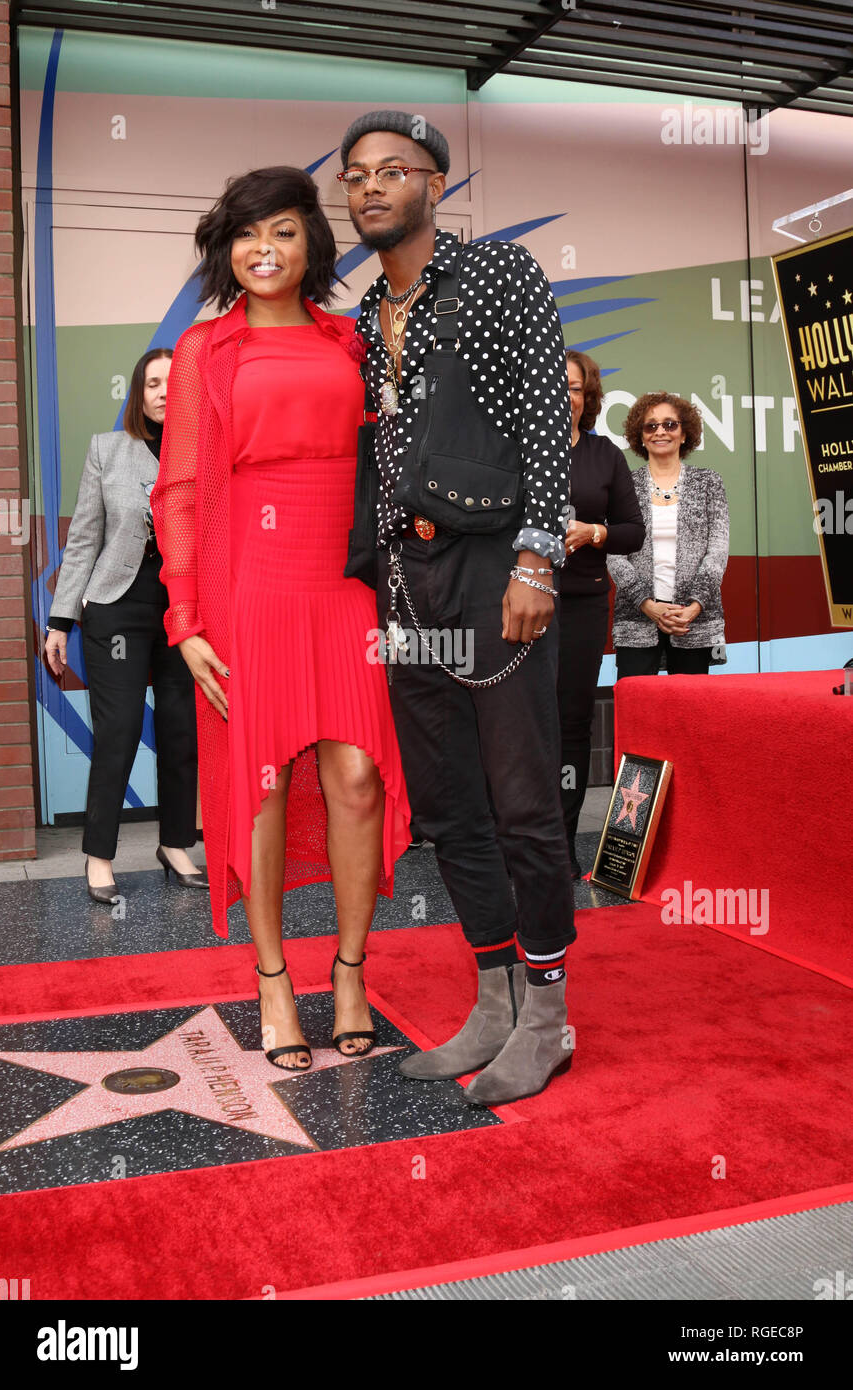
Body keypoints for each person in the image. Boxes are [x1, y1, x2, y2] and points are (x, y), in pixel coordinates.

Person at [151, 167, 411, 1072]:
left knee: (357, 781)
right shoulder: (204, 350)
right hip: (249, 590)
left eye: (285, 232)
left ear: (313, 246)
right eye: (248, 234)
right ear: (227, 249)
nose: (265, 249)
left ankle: (347, 971)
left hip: (344, 589)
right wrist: (185, 618)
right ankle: (271, 980)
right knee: (259, 789)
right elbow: (180, 490)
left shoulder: (350, 341)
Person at [339, 109, 574, 1106]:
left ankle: (550, 1015)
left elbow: (540, 415)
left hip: (494, 569)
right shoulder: (359, 316)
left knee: (523, 799)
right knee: (445, 805)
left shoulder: (501, 274)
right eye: (354, 175)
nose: (370, 188)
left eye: (394, 170)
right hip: (406, 579)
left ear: (436, 183)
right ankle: (491, 994)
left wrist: (537, 557)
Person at [45, 349, 204, 905]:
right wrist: (60, 621)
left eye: (174, 384)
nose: (164, 392)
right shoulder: (108, 451)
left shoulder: (205, 455)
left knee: (183, 733)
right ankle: (99, 855)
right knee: (117, 734)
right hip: (117, 610)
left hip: (186, 615)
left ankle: (177, 844)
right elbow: (84, 539)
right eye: (153, 383)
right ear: (138, 393)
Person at [558, 351, 644, 879]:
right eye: (556, 385)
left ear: (588, 399)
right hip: (515, 600)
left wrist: (594, 532)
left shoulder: (603, 454)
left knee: (572, 723)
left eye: (575, 388)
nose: (565, 395)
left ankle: (562, 846)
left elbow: (631, 531)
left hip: (584, 601)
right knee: (518, 725)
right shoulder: (515, 449)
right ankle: (517, 842)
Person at [607, 392, 729, 676]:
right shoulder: (624, 484)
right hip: (636, 619)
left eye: (670, 424)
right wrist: (647, 605)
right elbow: (615, 554)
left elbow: (718, 552)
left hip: (692, 621)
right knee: (637, 710)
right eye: (651, 426)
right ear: (640, 436)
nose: (660, 431)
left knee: (690, 712)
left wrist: (693, 607)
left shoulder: (709, 482)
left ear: (685, 434)